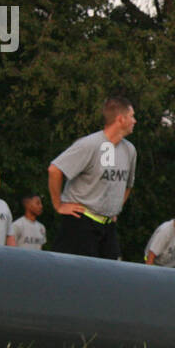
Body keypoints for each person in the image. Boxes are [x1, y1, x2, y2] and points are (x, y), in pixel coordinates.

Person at [48, 97, 137, 259]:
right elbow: (54, 170)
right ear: (120, 119)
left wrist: (114, 208)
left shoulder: (129, 150)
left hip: (108, 228)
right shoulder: (89, 145)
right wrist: (58, 205)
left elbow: (128, 185)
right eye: (132, 116)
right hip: (81, 223)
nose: (135, 121)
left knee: (110, 277)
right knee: (74, 277)